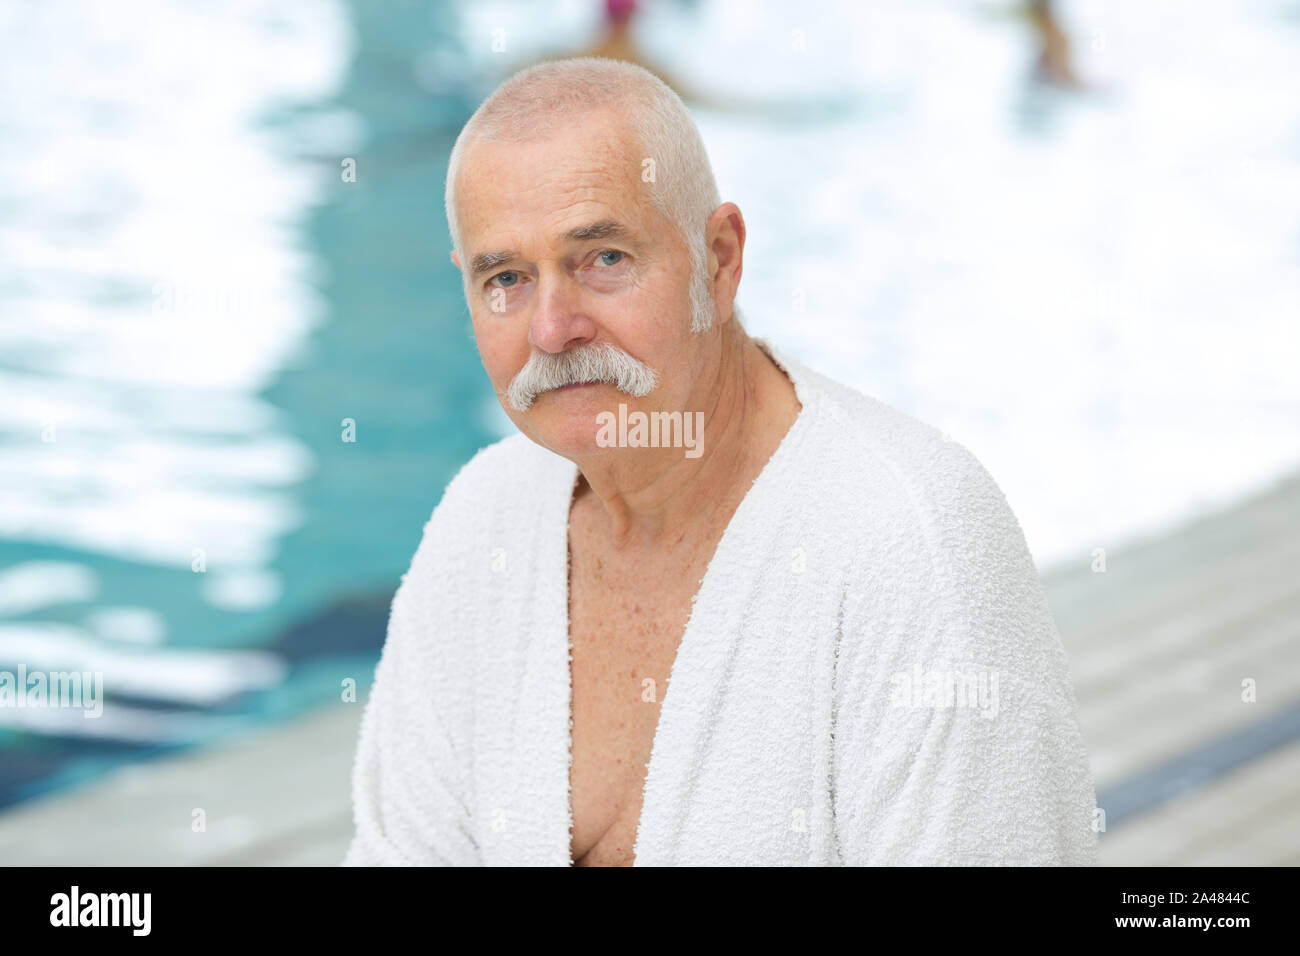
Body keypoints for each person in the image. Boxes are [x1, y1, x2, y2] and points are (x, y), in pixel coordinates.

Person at [342, 56, 1099, 866]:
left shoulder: (913, 547)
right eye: (508, 278)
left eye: (603, 259)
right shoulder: (479, 526)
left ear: (720, 258)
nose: (552, 328)